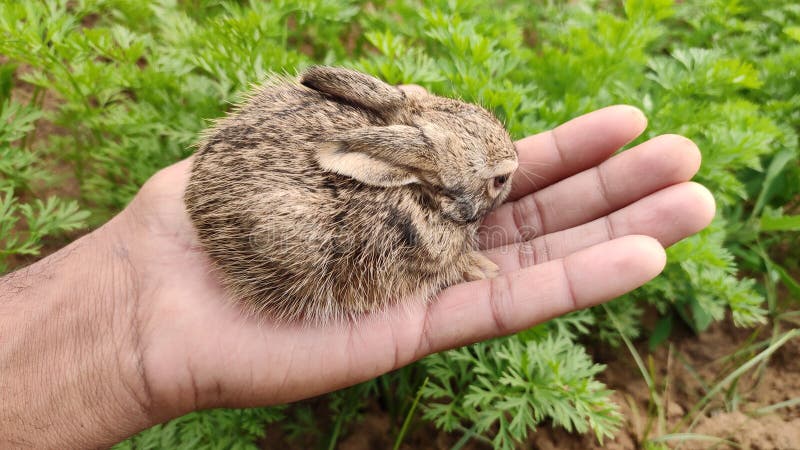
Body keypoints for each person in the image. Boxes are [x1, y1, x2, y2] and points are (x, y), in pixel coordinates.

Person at [0, 105, 715, 448]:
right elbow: (400, 257)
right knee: (326, 239)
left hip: (256, 179)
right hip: (271, 237)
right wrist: (448, 263)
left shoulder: (398, 148)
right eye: (496, 182)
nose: (505, 189)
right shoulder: (421, 225)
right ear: (422, 178)